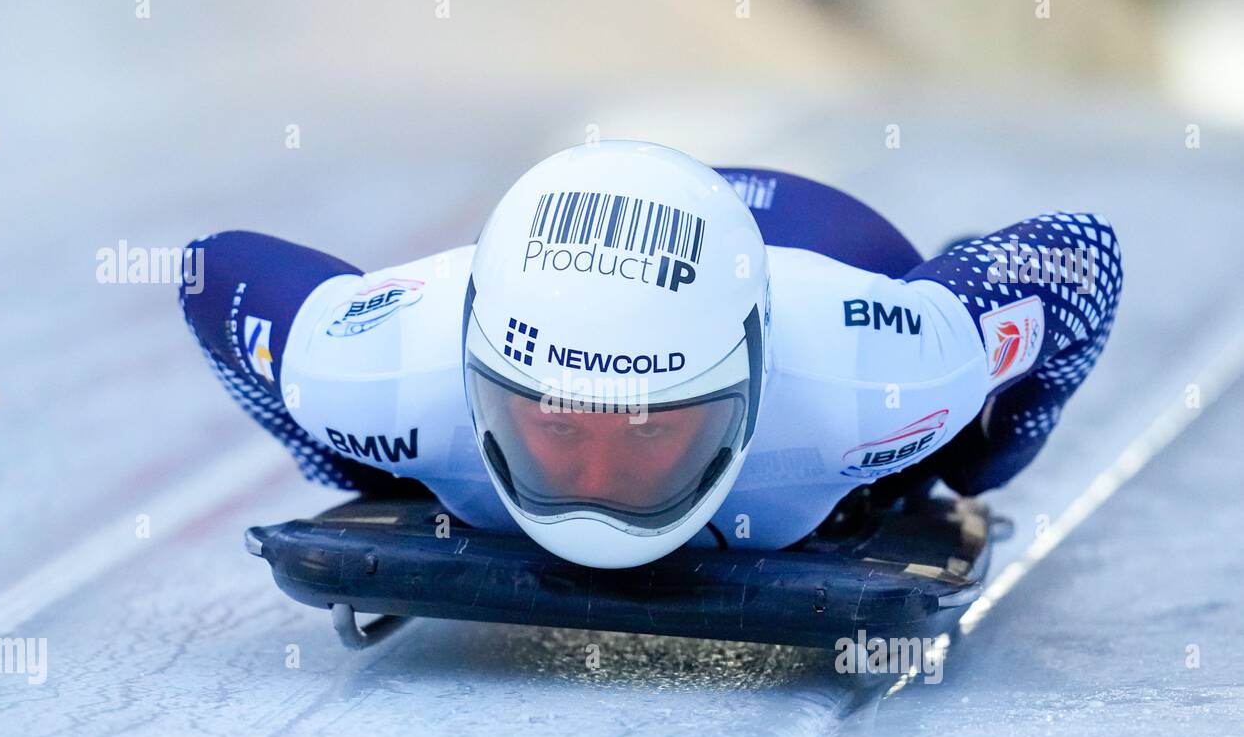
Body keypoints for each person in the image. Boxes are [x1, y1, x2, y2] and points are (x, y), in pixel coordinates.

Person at [180, 141, 1122, 568]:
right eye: (553, 426)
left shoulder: (888, 372)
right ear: (474, 381)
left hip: (827, 242)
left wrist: (986, 452)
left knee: (956, 448)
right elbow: (205, 276)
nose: (600, 484)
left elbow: (1084, 254)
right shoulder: (369, 369)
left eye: (648, 433)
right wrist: (344, 459)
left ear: (747, 393)